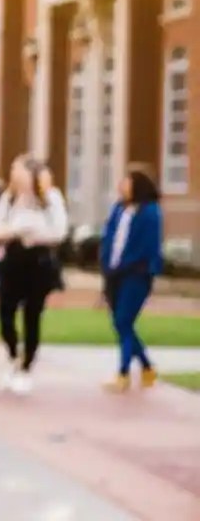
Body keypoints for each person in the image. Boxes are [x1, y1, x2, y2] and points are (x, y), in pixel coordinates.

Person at [0, 156, 68, 395]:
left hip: (38, 262)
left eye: (20, 172)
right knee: (5, 313)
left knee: (32, 315)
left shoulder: (50, 198)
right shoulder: (9, 198)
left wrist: (34, 233)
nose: (16, 176)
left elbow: (59, 231)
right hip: (12, 259)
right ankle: (12, 354)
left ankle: (26, 366)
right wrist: (14, 231)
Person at [100, 167, 164, 392]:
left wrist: (126, 265)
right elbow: (108, 237)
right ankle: (147, 366)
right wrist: (106, 264)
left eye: (126, 182)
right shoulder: (119, 209)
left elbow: (147, 247)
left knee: (124, 321)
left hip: (136, 275)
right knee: (121, 323)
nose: (121, 186)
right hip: (114, 274)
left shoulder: (150, 212)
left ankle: (124, 372)